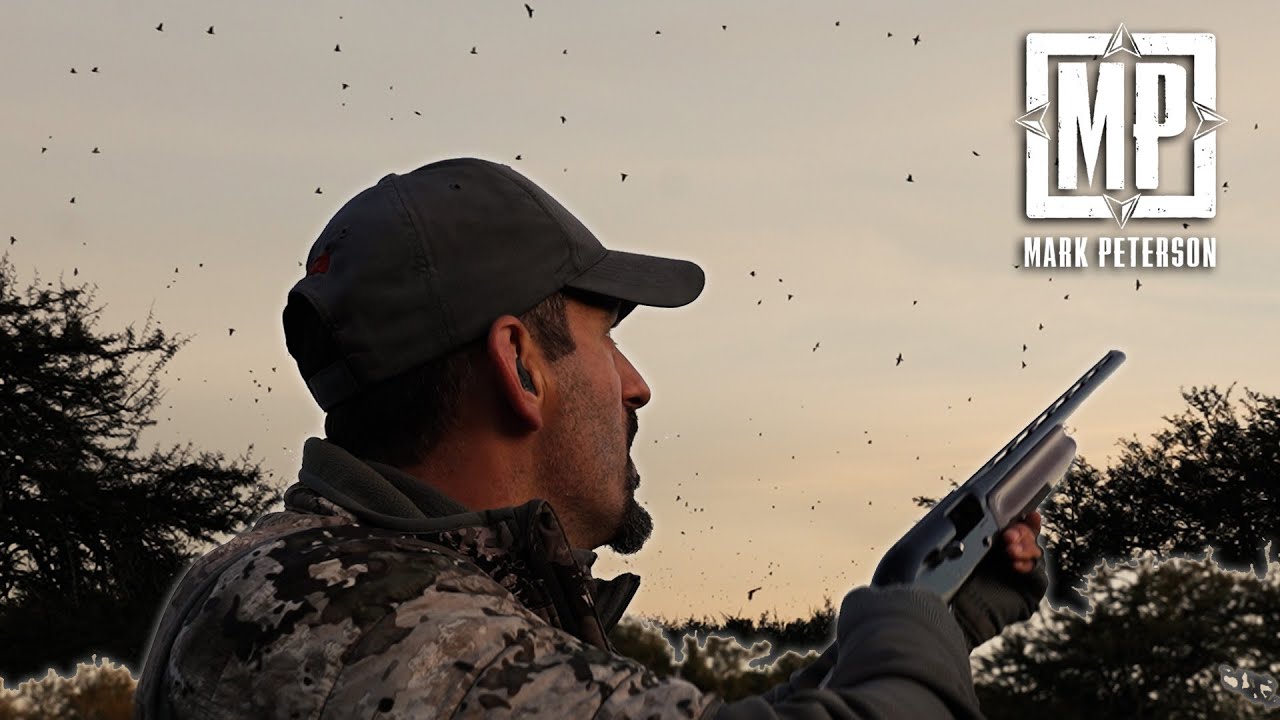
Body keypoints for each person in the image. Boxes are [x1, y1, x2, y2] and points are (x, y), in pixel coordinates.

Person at [135, 157, 1048, 719]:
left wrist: (939, 615)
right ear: (520, 365)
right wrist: (906, 639)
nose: (637, 384)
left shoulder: (310, 585)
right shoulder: (385, 631)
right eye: (610, 338)